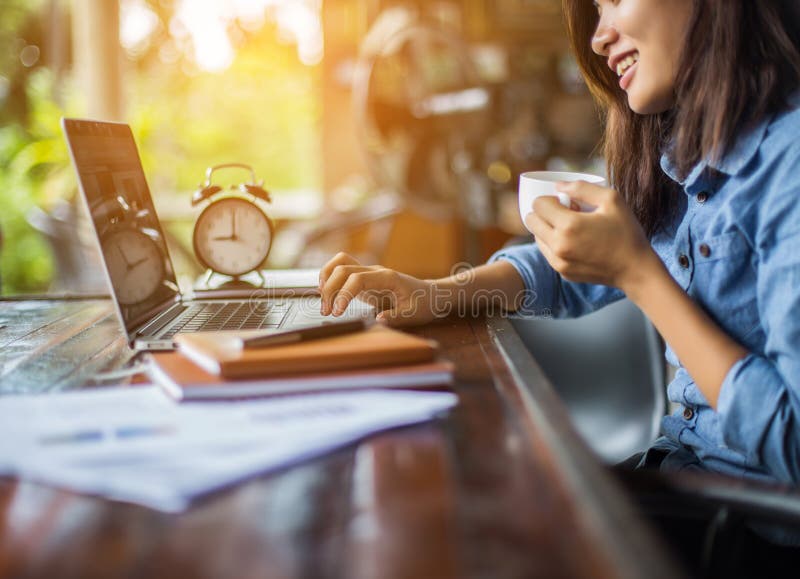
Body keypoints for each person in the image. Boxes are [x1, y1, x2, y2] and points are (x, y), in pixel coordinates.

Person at [319, 0, 800, 574]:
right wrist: (437, 293)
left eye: (615, 1)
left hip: (757, 530)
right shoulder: (681, 150)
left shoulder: (789, 159)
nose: (598, 37)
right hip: (682, 481)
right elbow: (566, 265)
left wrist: (638, 275)